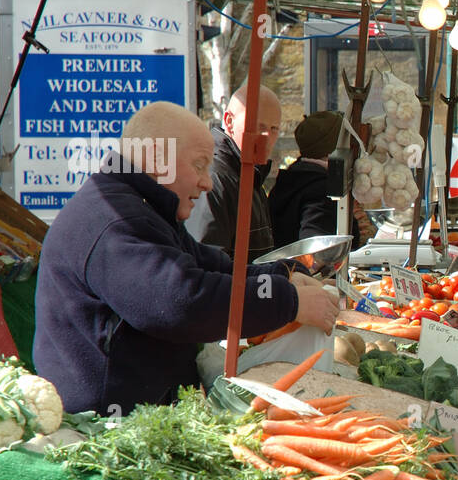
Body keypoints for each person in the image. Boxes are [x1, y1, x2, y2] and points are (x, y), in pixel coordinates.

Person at [33, 102, 340, 416]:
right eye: (199, 165)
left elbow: (205, 264)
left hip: (145, 415)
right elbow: (180, 301)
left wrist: (282, 274)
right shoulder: (114, 221)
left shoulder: (139, 208)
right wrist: (287, 300)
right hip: (105, 427)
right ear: (157, 157)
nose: (206, 182)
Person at [186, 83, 284, 261]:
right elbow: (209, 267)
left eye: (273, 129)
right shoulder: (214, 179)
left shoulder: (251, 173)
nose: (267, 137)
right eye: (259, 127)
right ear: (229, 122)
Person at [268, 110, 342, 249]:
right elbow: (316, 247)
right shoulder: (320, 189)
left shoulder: (293, 177)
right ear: (332, 149)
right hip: (299, 269)